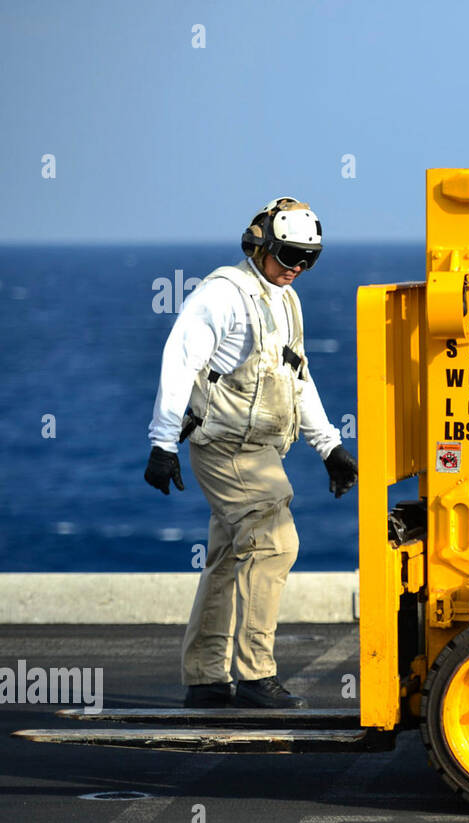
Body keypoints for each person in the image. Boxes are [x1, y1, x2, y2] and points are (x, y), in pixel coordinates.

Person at [144, 197, 358, 709]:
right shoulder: (222, 295)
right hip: (226, 448)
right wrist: (161, 442)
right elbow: (179, 360)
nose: (297, 268)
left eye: (308, 258)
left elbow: (296, 377)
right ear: (259, 243)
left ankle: (206, 678)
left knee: (225, 558)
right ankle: (255, 675)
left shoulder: (285, 301)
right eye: (287, 255)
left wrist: (328, 446)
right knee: (276, 544)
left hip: (259, 449)